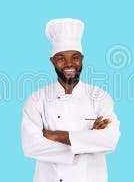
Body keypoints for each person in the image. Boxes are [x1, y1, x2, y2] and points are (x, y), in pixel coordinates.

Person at [21, 18, 121, 182]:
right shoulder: (36, 99)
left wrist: (54, 135)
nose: (69, 64)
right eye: (61, 58)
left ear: (82, 58)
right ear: (52, 61)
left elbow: (110, 140)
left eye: (75, 57)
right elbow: (31, 146)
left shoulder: (100, 96)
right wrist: (89, 141)